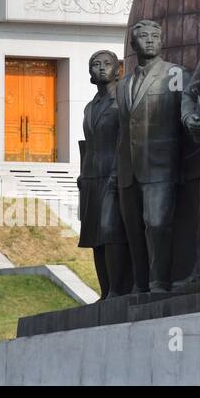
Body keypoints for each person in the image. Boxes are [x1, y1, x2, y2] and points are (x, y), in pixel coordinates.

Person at [115, 20, 191, 293]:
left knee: (157, 225)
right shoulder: (122, 85)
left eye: (155, 36)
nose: (149, 40)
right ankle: (140, 282)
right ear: (133, 44)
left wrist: (193, 118)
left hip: (161, 165)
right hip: (128, 168)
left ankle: (159, 280)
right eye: (143, 36)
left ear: (162, 42)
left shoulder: (174, 74)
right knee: (133, 230)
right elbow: (122, 131)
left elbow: (190, 105)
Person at [78, 49, 131, 298]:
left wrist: (118, 171)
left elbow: (125, 140)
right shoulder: (89, 107)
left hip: (113, 173)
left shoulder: (122, 101)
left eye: (107, 64)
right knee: (94, 236)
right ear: (90, 72)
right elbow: (87, 143)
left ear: (117, 70)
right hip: (90, 177)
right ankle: (105, 291)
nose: (101, 68)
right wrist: (81, 175)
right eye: (95, 64)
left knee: (111, 232)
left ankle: (118, 290)